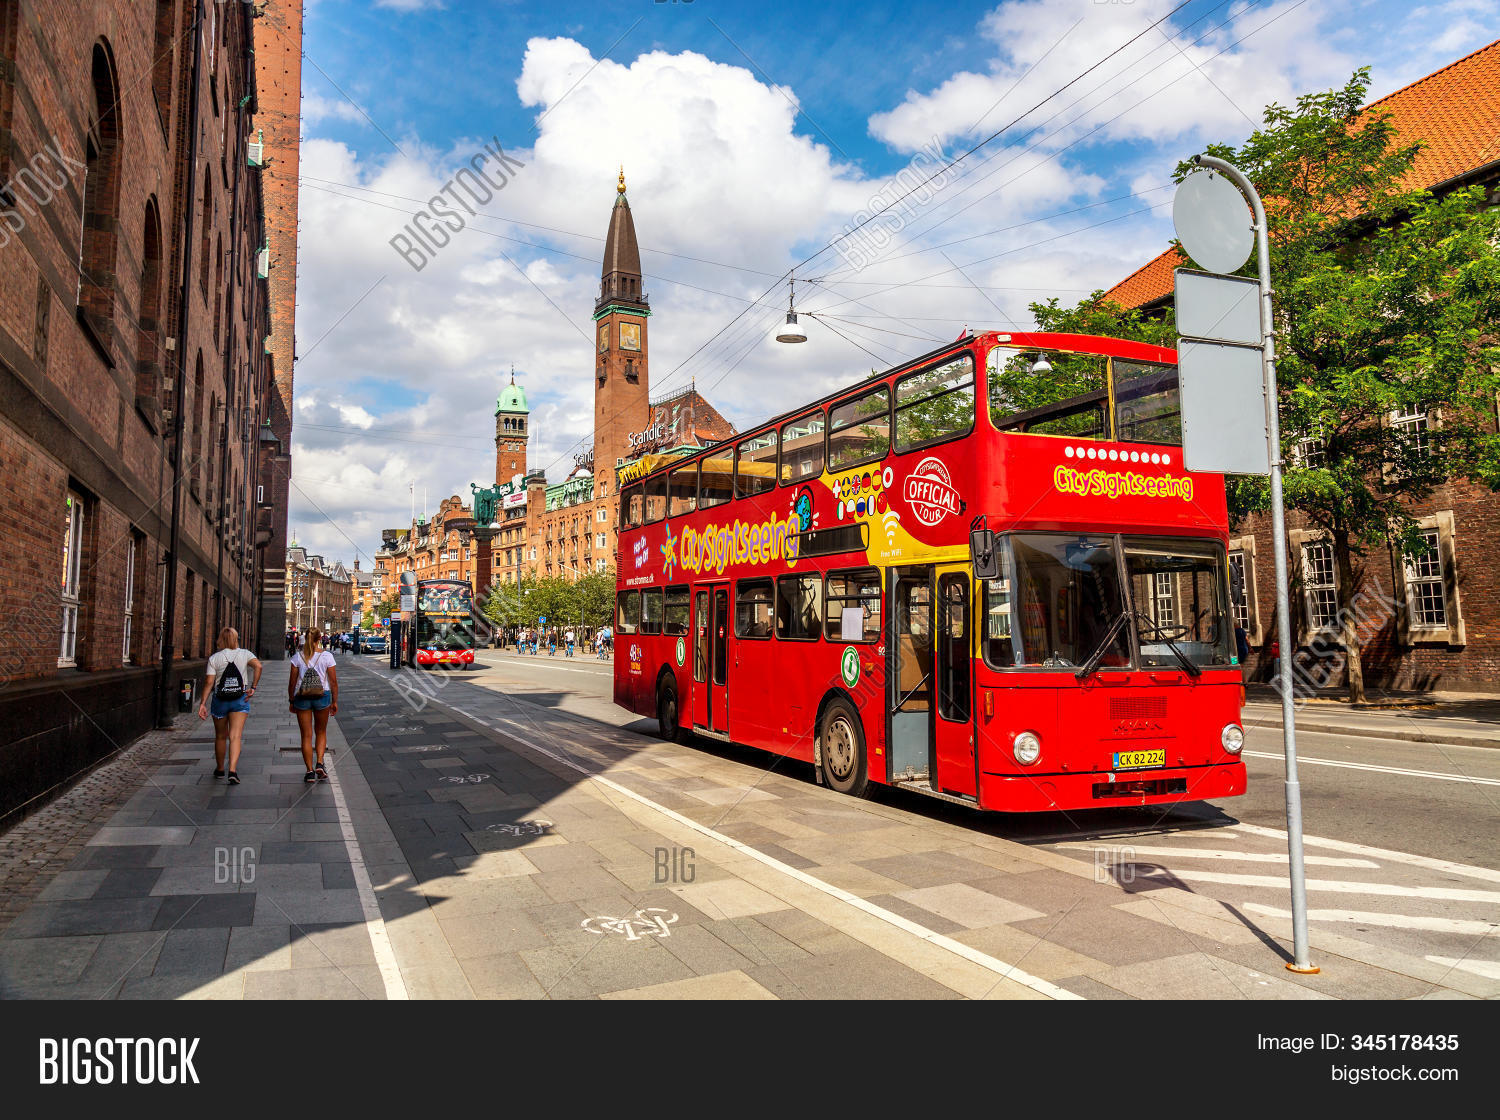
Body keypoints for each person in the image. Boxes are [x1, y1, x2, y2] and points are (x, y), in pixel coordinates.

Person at [197, 627, 261, 784]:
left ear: (221, 640)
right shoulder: (245, 654)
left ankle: (220, 769)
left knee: (220, 736)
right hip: (239, 699)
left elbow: (209, 683)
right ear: (236, 639)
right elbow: (258, 666)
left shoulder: (215, 658)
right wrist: (253, 687)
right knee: (235, 736)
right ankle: (232, 770)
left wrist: (203, 703)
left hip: (220, 700)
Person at [288, 628, 338, 784]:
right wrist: (334, 701)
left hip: (302, 697)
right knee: (321, 731)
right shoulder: (327, 656)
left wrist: (291, 700)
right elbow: (333, 682)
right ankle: (320, 763)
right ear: (319, 639)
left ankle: (309, 772)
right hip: (322, 696)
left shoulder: (297, 657)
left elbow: (292, 682)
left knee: (306, 735)